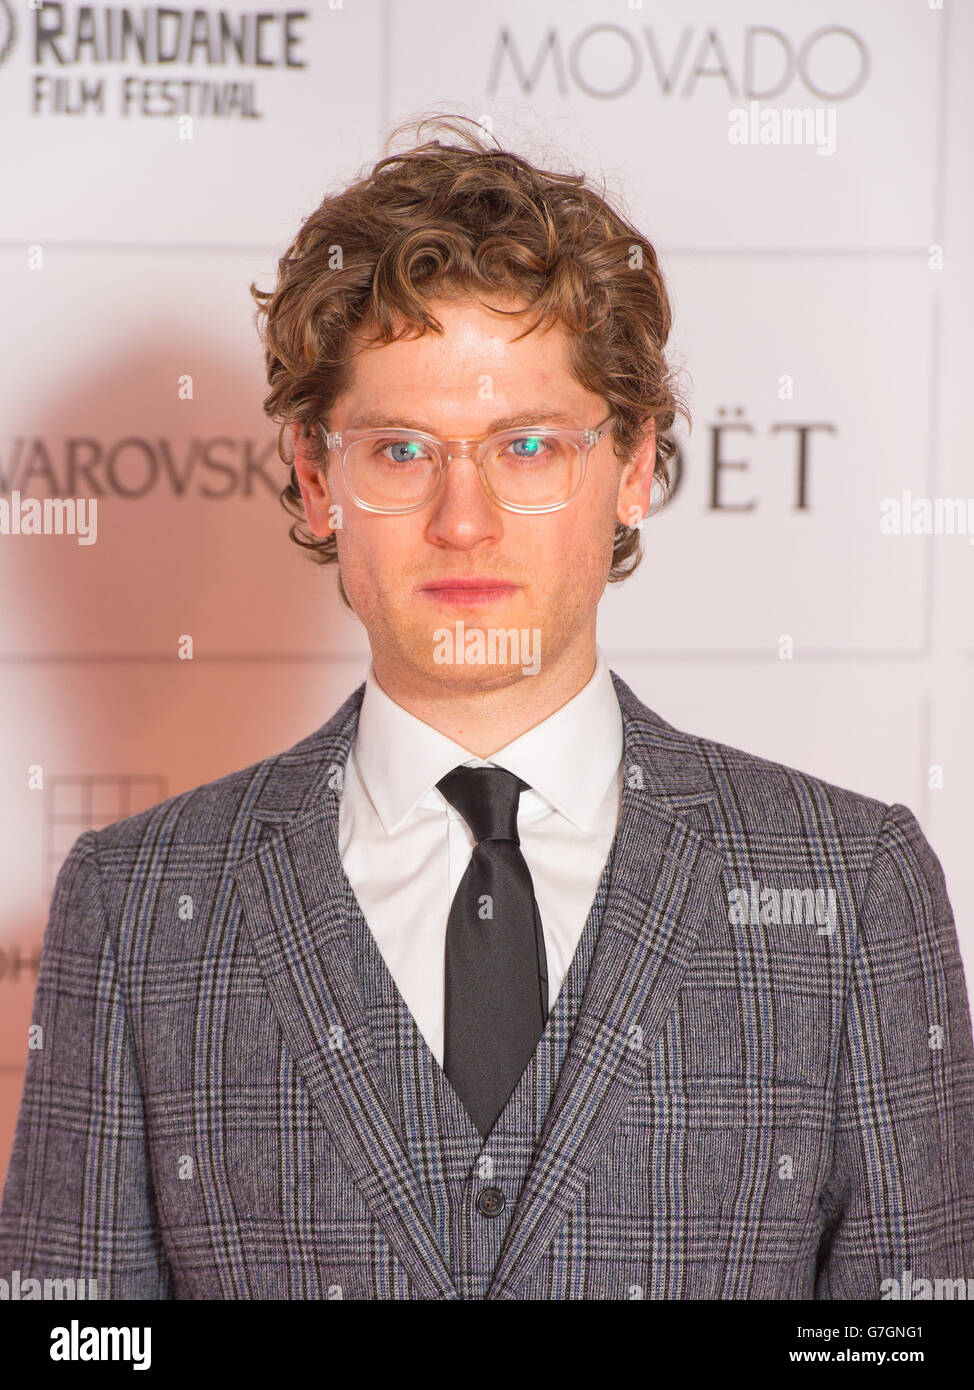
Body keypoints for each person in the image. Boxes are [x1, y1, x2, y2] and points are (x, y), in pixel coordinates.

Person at [1, 116, 972, 1301]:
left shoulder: (851, 886)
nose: (463, 520)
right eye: (402, 451)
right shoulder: (137, 906)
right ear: (317, 480)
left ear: (629, 467)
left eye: (524, 444)